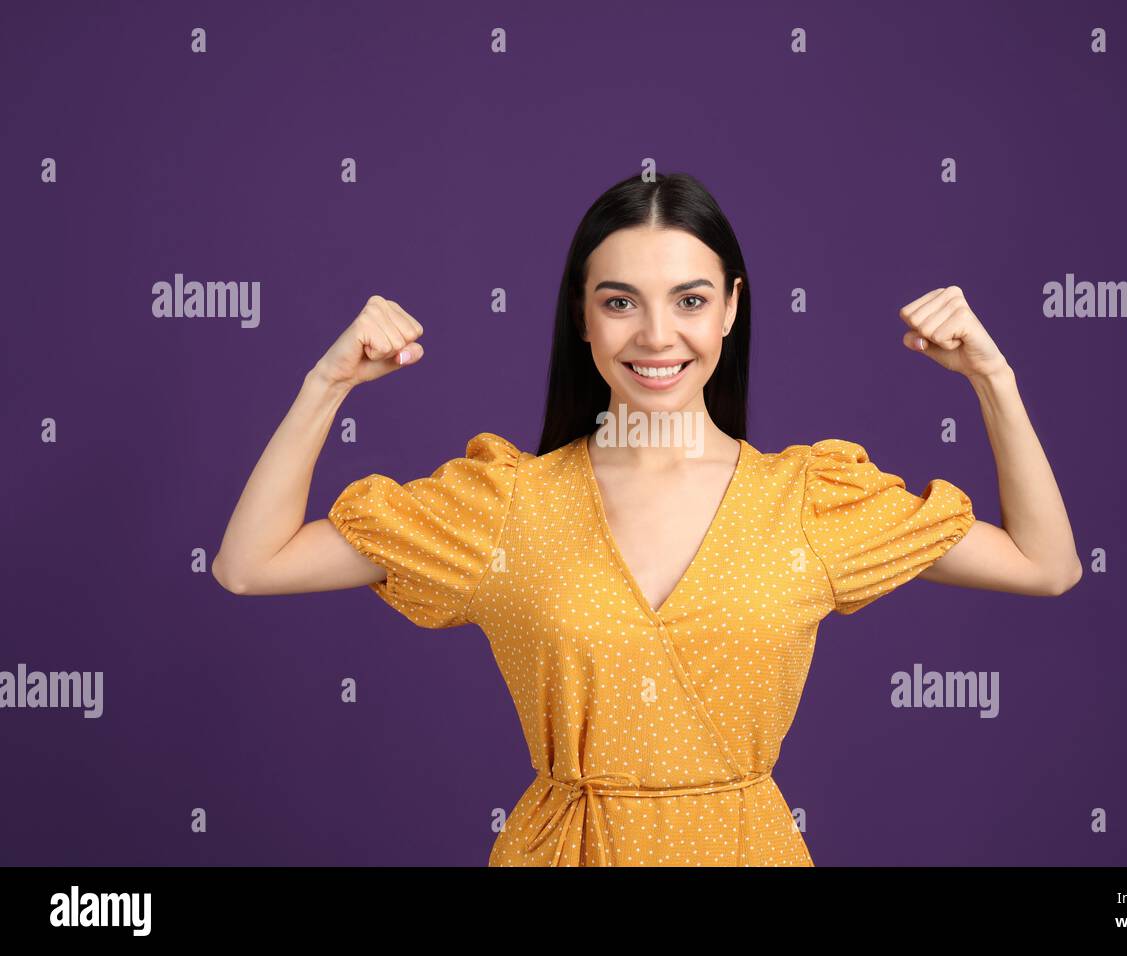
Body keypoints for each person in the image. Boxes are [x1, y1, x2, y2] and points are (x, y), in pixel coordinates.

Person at [211, 172, 1082, 866]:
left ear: (733, 309)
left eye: (691, 300)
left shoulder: (810, 501)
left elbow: (1048, 565)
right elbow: (251, 564)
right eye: (621, 301)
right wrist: (324, 385)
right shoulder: (504, 504)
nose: (657, 335)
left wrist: (993, 381)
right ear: (583, 321)